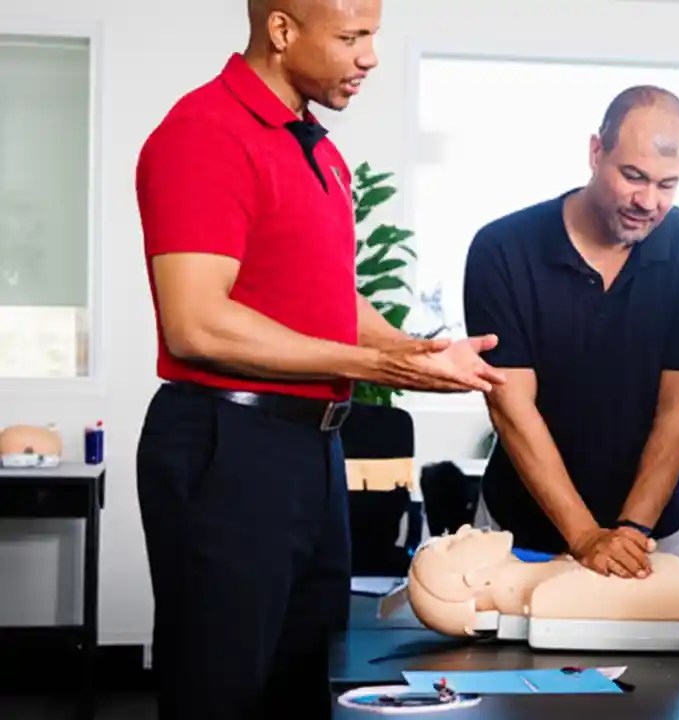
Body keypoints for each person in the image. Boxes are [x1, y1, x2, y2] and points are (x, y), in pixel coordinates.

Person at [133, 1, 504, 718]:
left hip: (312, 448)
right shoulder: (202, 133)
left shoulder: (318, 148)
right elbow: (196, 323)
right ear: (281, 31)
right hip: (228, 443)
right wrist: (382, 370)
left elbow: (331, 301)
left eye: (373, 36)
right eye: (351, 37)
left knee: (305, 680)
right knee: (222, 689)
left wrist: (413, 350)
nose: (369, 57)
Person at [462, 85, 679, 580]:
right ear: (595, 152)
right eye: (633, 176)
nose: (647, 201)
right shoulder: (502, 249)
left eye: (667, 185)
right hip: (519, 530)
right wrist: (585, 535)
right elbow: (512, 408)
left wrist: (630, 532)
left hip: (657, 530)